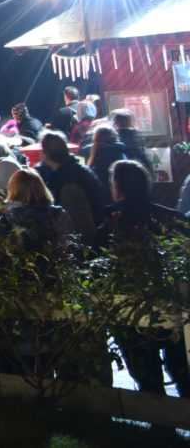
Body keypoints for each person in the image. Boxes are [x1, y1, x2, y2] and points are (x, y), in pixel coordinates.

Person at [98, 160, 190, 394]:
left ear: (117, 186)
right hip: (173, 300)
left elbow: (97, 257)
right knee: (181, 366)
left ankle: (158, 422)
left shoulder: (110, 219)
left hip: (130, 302)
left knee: (145, 368)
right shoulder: (171, 218)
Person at [0, 167, 78, 381]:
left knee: (15, 370)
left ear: (12, 190)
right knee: (52, 356)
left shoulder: (4, 220)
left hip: (14, 297)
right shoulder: (59, 215)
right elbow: (70, 252)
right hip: (53, 293)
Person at [34, 131, 104, 244]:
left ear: (45, 153)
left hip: (81, 249)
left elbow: (81, 227)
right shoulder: (77, 171)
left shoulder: (67, 182)